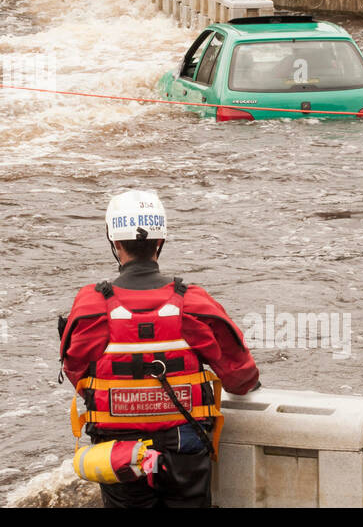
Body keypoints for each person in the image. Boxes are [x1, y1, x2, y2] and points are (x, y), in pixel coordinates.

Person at [59, 190, 260, 508]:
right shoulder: (192, 301)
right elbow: (241, 377)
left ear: (114, 242)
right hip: (185, 446)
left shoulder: (91, 305)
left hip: (117, 453)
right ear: (160, 242)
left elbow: (76, 371)